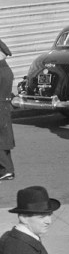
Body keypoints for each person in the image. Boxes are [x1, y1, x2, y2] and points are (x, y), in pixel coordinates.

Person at [0, 37, 14, 179]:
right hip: (4, 106)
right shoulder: (6, 70)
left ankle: (7, 169)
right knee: (4, 139)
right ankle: (7, 170)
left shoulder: (1, 71)